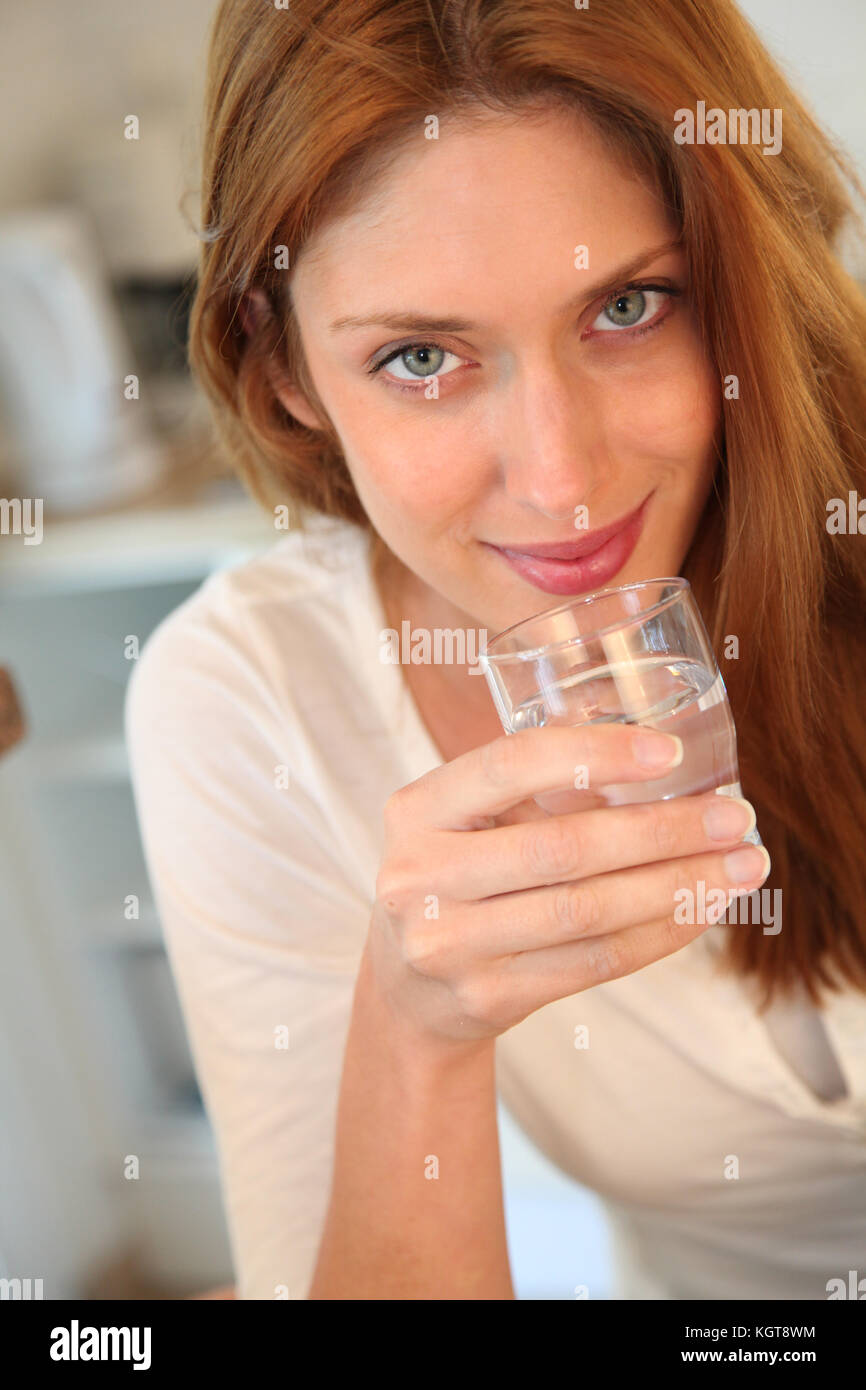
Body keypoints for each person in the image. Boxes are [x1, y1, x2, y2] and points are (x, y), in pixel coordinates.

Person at [125, 0, 866, 1300]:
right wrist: (415, 1033)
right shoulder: (254, 703)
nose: (560, 475)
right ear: (283, 364)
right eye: (421, 357)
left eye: (628, 306)